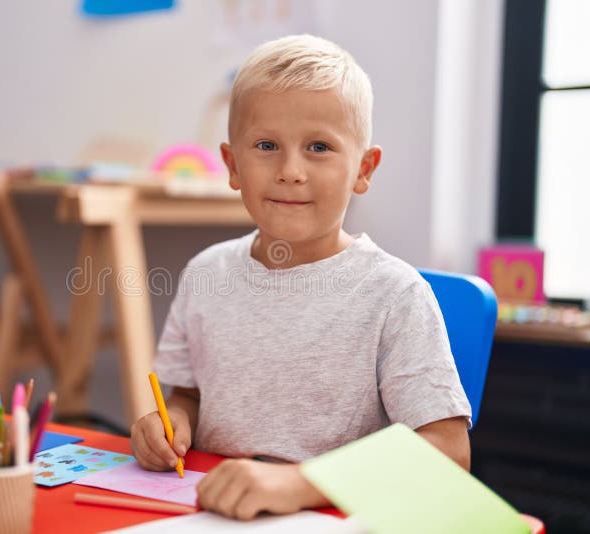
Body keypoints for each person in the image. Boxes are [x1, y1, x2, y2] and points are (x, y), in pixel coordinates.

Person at [129, 34, 472, 520]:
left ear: (364, 169)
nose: (291, 170)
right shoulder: (205, 274)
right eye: (266, 145)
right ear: (232, 165)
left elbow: (450, 453)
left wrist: (301, 483)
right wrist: (171, 424)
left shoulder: (395, 295)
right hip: (214, 513)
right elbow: (188, 395)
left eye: (319, 147)